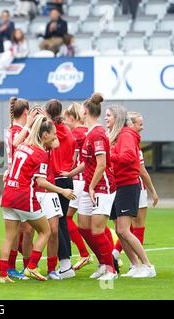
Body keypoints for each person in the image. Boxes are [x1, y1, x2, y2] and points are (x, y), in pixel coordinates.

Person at [0, 114, 76, 283]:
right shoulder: (40, 153)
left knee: (9, 237)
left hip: (8, 195)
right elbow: (41, 181)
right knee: (46, 231)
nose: (56, 137)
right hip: (23, 196)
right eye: (53, 133)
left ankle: (3, 275)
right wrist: (62, 191)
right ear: (45, 134)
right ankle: (32, 267)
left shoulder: (22, 147)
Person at [61, 93, 118, 281]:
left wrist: (92, 186)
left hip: (102, 186)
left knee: (97, 230)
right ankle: (103, 262)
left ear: (85, 112)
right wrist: (69, 173)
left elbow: (101, 164)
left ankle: (111, 269)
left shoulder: (98, 133)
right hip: (88, 185)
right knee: (84, 227)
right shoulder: (89, 133)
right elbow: (88, 162)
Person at [105, 106, 156, 278]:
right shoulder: (119, 136)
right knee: (120, 230)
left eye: (109, 116)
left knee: (125, 230)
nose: (106, 119)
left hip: (128, 185)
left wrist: (110, 155)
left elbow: (129, 158)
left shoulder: (125, 135)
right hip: (119, 185)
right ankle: (136, 265)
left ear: (117, 118)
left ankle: (148, 266)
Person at [3, 97, 35, 280]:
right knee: (22, 230)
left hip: (17, 182)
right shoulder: (17, 131)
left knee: (24, 229)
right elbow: (17, 144)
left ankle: (21, 266)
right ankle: (18, 267)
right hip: (20, 184)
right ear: (26, 113)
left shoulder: (15, 130)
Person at [45, 99, 77, 279]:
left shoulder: (51, 132)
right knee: (62, 222)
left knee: (57, 225)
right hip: (67, 178)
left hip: (55, 179)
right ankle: (66, 264)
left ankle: (65, 266)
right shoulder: (68, 132)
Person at [63, 103, 92, 270]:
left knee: (66, 219)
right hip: (84, 180)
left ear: (72, 118)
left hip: (79, 180)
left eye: (66, 118)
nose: (65, 121)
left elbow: (79, 159)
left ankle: (84, 254)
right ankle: (110, 256)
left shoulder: (76, 133)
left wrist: (68, 172)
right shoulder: (86, 130)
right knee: (92, 224)